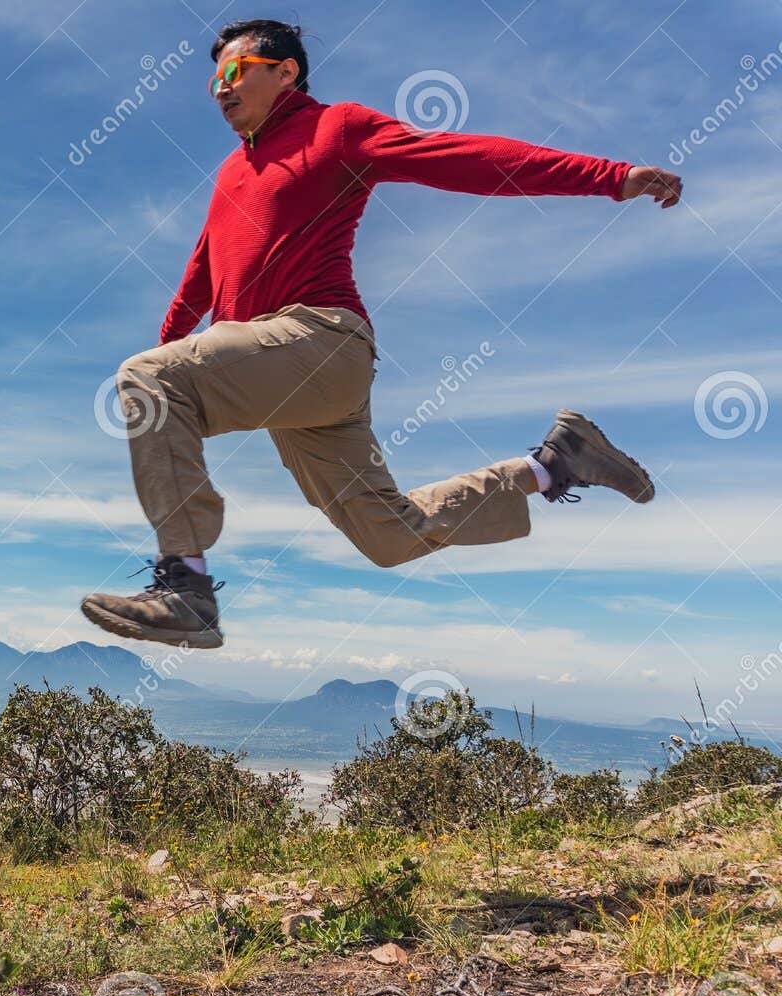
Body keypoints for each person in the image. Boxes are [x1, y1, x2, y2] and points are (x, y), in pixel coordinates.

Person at [80, 19, 681, 650]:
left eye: (234, 72)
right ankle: (553, 464)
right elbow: (197, 282)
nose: (220, 90)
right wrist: (164, 352)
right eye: (213, 81)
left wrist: (609, 177)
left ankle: (186, 585)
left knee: (148, 375)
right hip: (287, 384)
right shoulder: (232, 173)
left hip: (319, 339)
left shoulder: (336, 128)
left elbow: (464, 159)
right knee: (390, 537)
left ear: (285, 71)